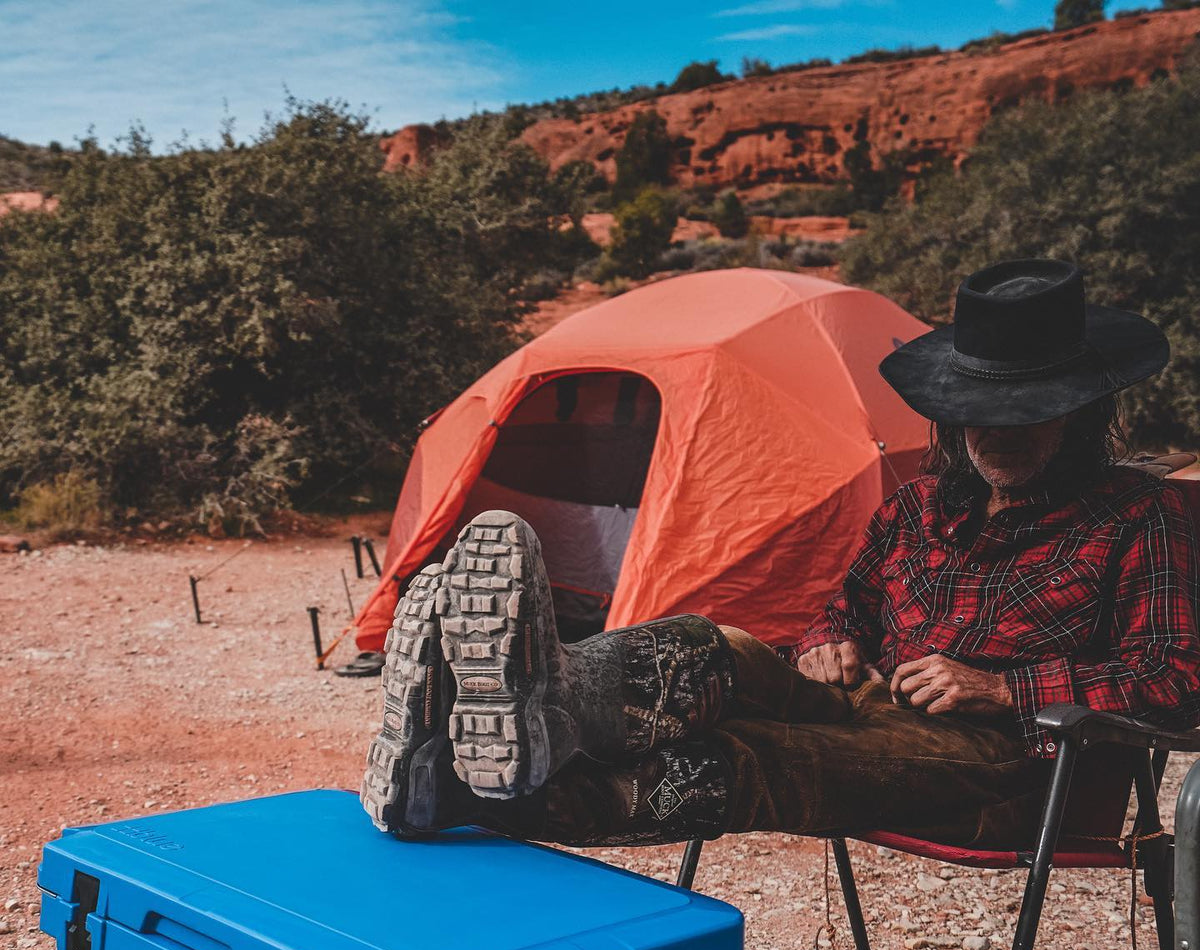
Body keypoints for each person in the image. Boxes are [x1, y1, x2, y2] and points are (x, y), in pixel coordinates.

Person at [361, 259, 1200, 847]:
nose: (998, 433)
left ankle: (464, 791)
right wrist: (829, 642)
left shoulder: (1141, 516)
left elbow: (1177, 683)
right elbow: (846, 611)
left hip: (1013, 766)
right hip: (868, 707)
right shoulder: (917, 508)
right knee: (709, 647)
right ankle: (545, 697)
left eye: (1030, 411)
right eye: (980, 409)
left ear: (1082, 412)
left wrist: (1001, 687)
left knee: (751, 756)